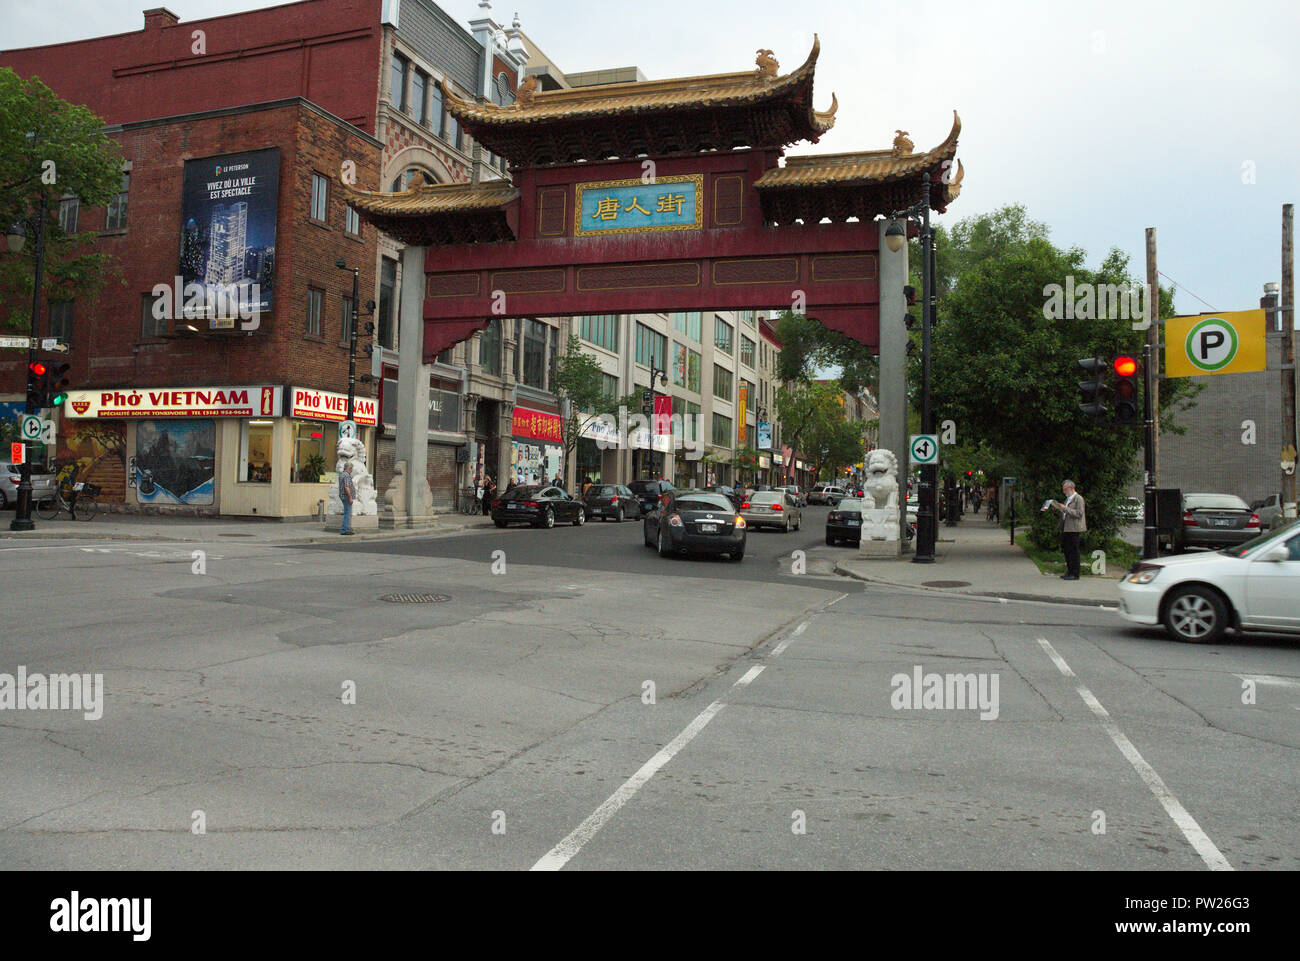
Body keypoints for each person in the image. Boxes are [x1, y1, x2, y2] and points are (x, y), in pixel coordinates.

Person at [1047, 479, 1086, 579]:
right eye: (1063, 489)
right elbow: (1064, 513)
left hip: (1074, 528)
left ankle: (1075, 573)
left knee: (1074, 551)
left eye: (1065, 489)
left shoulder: (1078, 499)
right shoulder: (1068, 499)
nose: (1064, 491)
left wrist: (1065, 509)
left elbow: (1079, 513)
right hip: (1066, 527)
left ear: (1071, 488)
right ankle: (1069, 571)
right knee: (1067, 550)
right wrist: (1057, 509)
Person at [338, 463, 355, 535]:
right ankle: (345, 530)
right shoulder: (347, 475)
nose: (352, 470)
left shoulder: (342, 474)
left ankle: (346, 529)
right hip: (346, 496)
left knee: (346, 513)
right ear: (350, 468)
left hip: (343, 496)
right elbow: (346, 487)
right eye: (352, 468)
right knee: (347, 513)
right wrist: (350, 497)